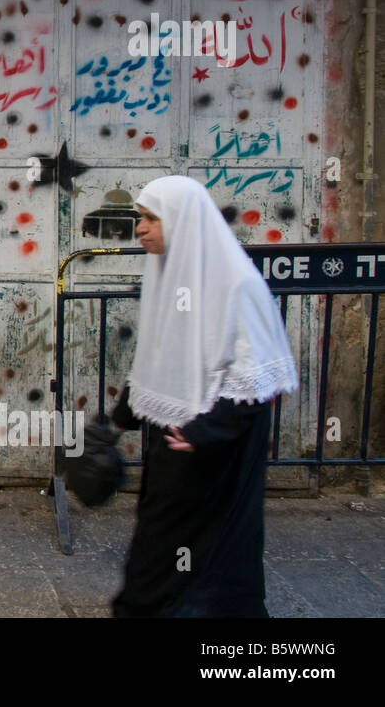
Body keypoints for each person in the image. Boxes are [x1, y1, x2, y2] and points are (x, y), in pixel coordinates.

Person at [111, 175, 299, 618]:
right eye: (141, 219)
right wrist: (120, 419)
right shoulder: (169, 275)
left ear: (182, 220)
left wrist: (206, 430)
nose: (141, 228)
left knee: (206, 543)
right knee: (161, 534)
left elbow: (253, 375)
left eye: (151, 219)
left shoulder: (236, 285)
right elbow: (159, 355)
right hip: (175, 438)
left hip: (213, 448)